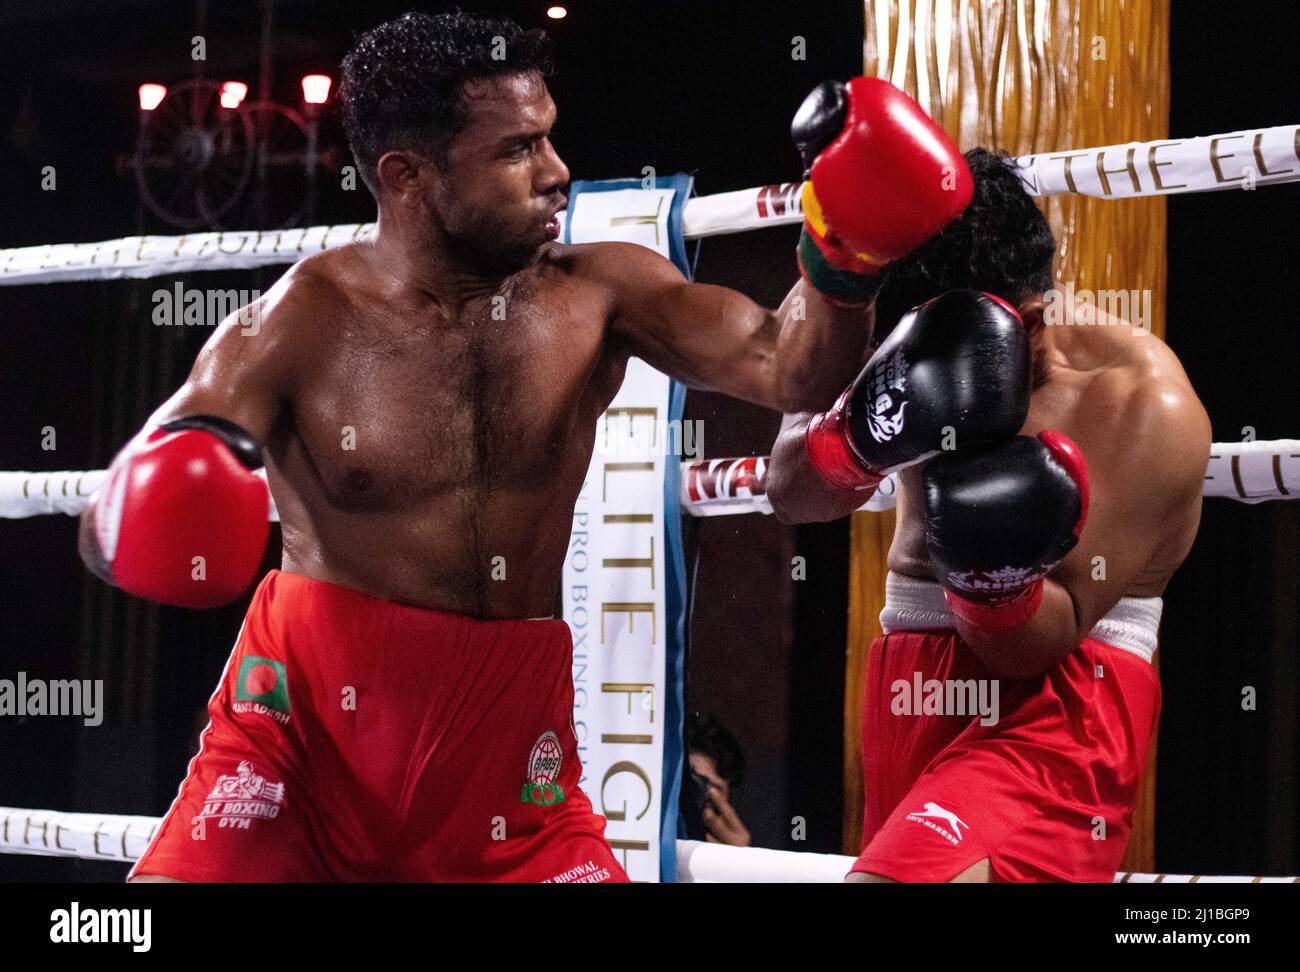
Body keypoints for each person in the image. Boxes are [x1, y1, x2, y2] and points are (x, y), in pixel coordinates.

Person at [76, 11, 970, 881]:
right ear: (409, 177)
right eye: (517, 150)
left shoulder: (599, 293)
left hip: (509, 756)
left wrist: (841, 260)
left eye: (548, 137)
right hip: (300, 746)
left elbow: (790, 370)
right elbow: (113, 516)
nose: (557, 172)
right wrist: (147, 507)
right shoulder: (294, 326)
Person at [765, 148, 1211, 882]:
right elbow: (791, 494)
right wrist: (856, 429)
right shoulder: (871, 293)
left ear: (1031, 322)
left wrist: (984, 569)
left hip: (1058, 701)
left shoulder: (1138, 403)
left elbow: (1031, 649)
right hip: (910, 677)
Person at [681, 712, 750, 846]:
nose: (691, 795)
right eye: (692, 782)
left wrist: (736, 862)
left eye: (705, 787)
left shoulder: (725, 844)